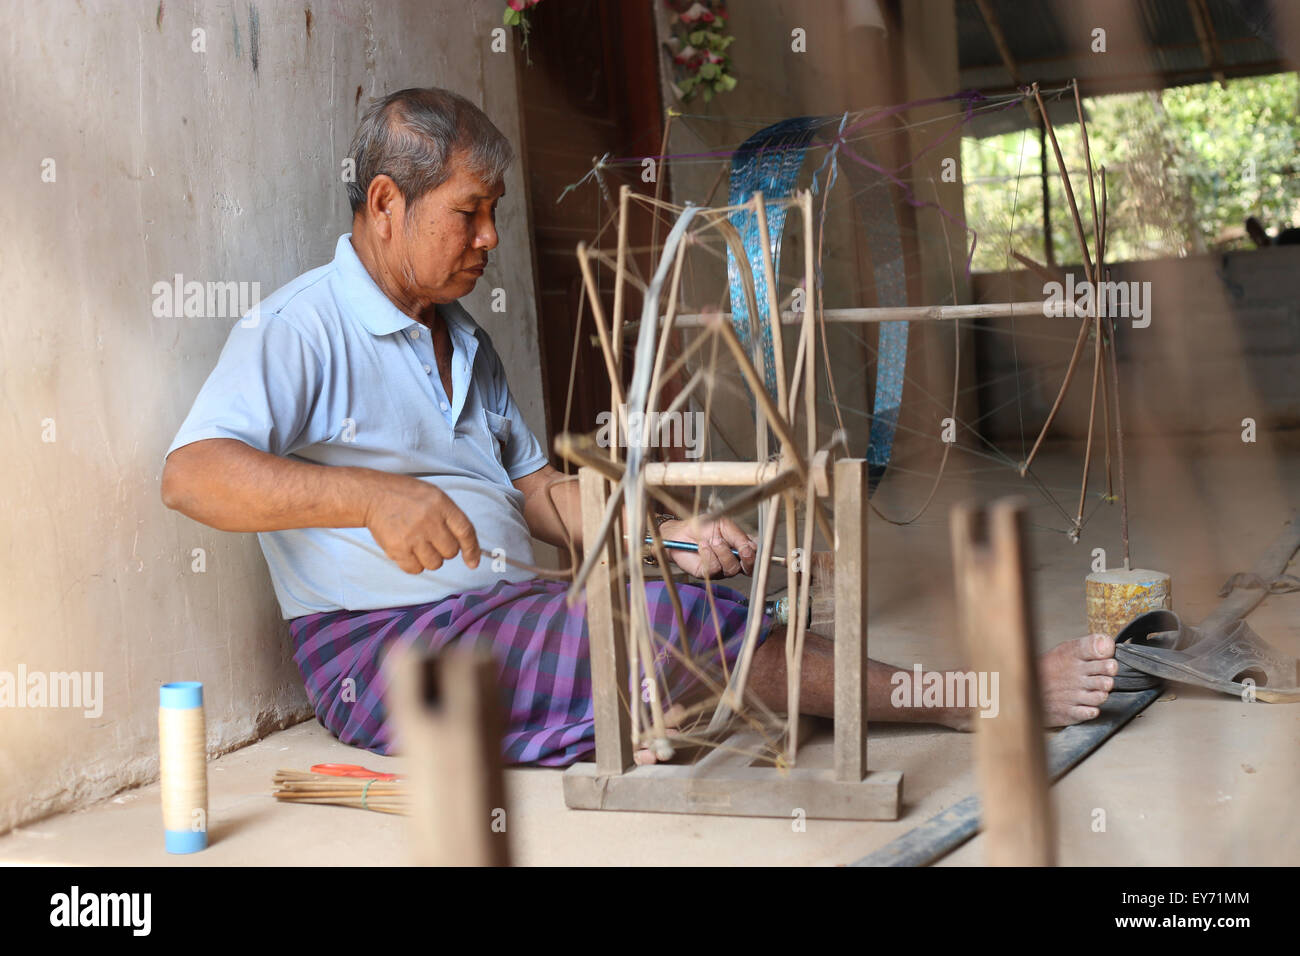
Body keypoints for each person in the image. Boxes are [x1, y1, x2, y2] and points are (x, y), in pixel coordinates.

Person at [161, 87, 1118, 767]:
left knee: (727, 603)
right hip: (382, 648)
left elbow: (536, 492)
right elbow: (193, 474)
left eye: (494, 213)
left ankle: (650, 702)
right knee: (657, 627)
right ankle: (964, 698)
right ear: (384, 205)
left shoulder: (465, 341)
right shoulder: (299, 326)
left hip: (496, 605)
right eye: (469, 214)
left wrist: (657, 530)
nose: (490, 238)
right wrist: (372, 497)